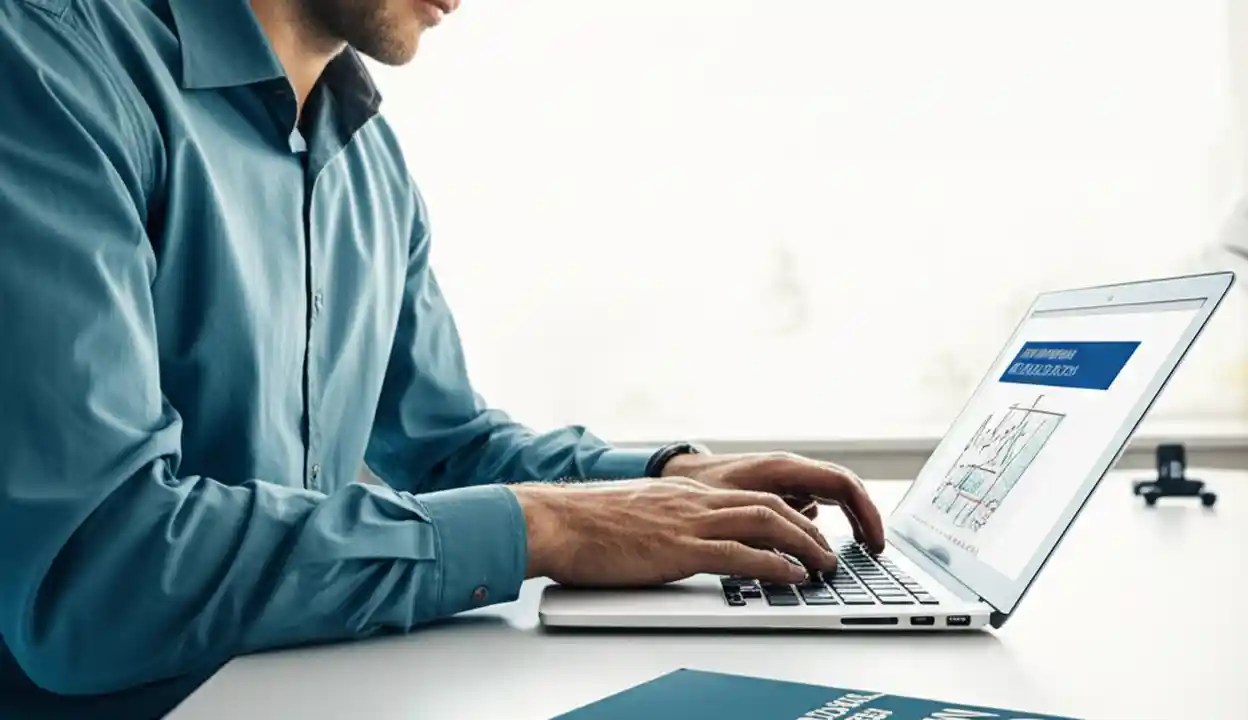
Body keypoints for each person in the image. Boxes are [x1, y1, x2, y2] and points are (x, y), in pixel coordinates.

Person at [0, 0, 885, 715]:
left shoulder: (369, 163)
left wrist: (670, 483)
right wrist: (552, 527)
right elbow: (92, 578)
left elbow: (447, 444)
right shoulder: (50, 69)